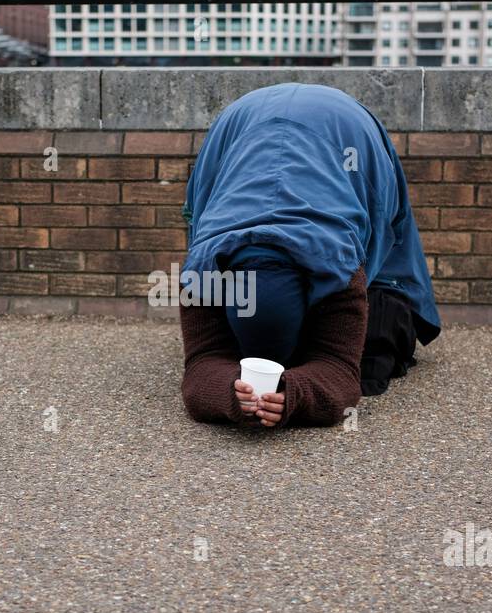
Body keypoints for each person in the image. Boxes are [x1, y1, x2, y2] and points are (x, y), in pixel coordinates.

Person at [178, 82, 440, 428]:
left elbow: (340, 369)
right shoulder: (204, 270)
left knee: (374, 352)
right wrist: (231, 391)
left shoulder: (340, 266)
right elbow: (203, 359)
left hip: (346, 129)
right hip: (243, 125)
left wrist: (293, 395)